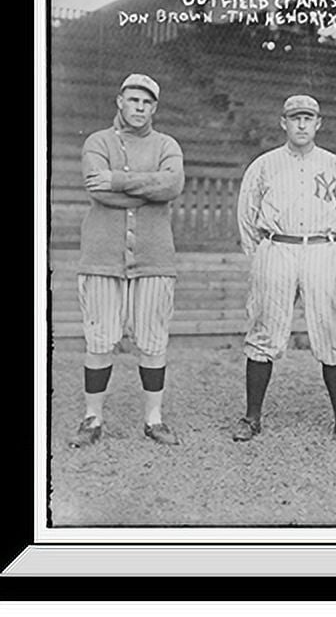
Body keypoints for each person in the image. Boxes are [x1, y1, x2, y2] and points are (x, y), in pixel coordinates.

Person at [233, 94, 336, 442]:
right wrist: (262, 255)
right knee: (264, 331)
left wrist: (333, 254)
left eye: (308, 118)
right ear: (284, 123)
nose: (302, 124)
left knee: (332, 330)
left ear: (318, 123)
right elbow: (246, 216)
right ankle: (251, 417)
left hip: (322, 248)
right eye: (295, 118)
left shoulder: (335, 165)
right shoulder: (264, 165)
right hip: (278, 247)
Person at [69, 74, 185, 448]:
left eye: (147, 102)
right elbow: (96, 188)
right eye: (133, 100)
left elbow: (172, 185)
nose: (139, 107)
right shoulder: (97, 141)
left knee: (152, 340)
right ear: (120, 101)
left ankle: (154, 419)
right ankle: (92, 419)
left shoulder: (166, 145)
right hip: (103, 255)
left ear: (154, 108)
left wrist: (117, 180)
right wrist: (150, 190)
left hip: (154, 256)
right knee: (100, 339)